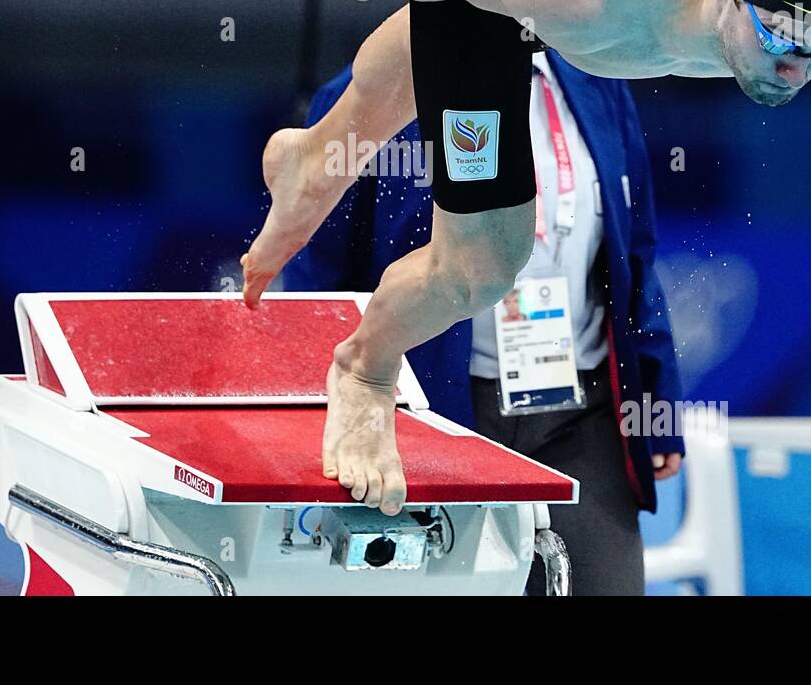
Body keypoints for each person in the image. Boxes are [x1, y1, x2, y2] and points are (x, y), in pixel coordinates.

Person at [242, 0, 811, 516]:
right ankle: (365, 368)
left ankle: (316, 155)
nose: (794, 74)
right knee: (481, 265)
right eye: (778, 42)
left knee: (477, 40)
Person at [283, 48, 683, 594]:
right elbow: (320, 279)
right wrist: (323, 420)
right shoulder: (368, 93)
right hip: (435, 419)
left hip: (579, 414)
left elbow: (635, 250)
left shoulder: (597, 75)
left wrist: (656, 402)